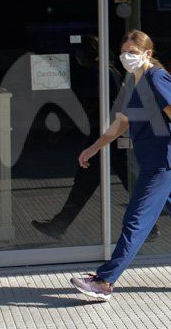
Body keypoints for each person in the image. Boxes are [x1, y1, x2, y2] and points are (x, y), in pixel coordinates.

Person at [71, 30, 171, 300]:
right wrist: (93, 149)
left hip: (162, 163)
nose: (126, 57)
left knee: (136, 219)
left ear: (147, 54)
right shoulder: (134, 81)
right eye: (124, 52)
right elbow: (120, 124)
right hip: (160, 162)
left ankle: (104, 281)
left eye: (132, 52)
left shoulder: (157, 78)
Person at [31, 36, 160, 242]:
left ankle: (149, 226)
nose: (79, 57)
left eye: (82, 52)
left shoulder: (105, 74)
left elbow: (110, 107)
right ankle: (59, 224)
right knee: (89, 183)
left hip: (106, 138)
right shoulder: (108, 72)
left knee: (106, 183)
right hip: (106, 138)